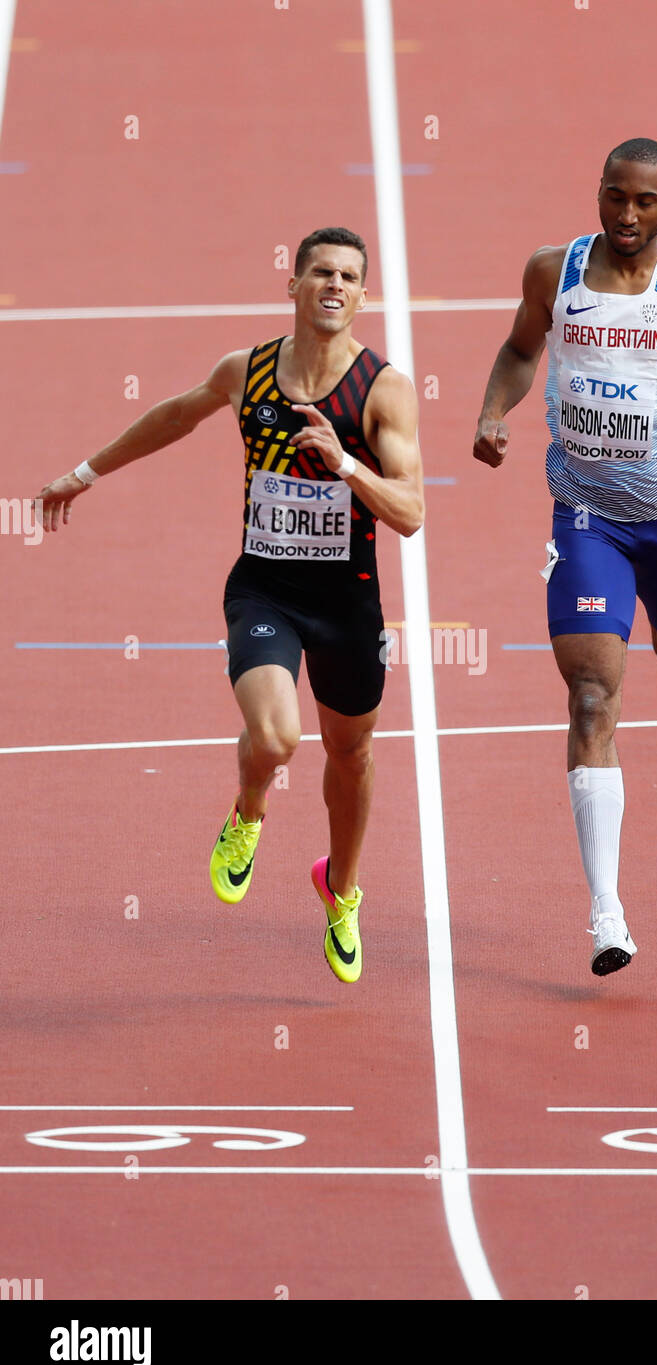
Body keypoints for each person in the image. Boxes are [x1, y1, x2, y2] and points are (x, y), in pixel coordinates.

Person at [38, 226, 425, 984]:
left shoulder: (383, 389)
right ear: (293, 283)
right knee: (276, 737)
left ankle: (340, 889)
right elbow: (177, 415)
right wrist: (86, 471)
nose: (334, 286)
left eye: (349, 276)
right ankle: (248, 812)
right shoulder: (246, 371)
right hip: (266, 591)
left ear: (363, 294)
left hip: (347, 602)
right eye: (320, 272)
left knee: (350, 756)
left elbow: (410, 512)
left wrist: (345, 462)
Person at [473, 139, 657, 976]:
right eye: (615, 198)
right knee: (591, 699)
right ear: (598, 194)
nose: (628, 215)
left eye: (646, 202)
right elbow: (520, 350)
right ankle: (607, 912)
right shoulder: (552, 271)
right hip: (586, 516)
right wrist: (495, 411)